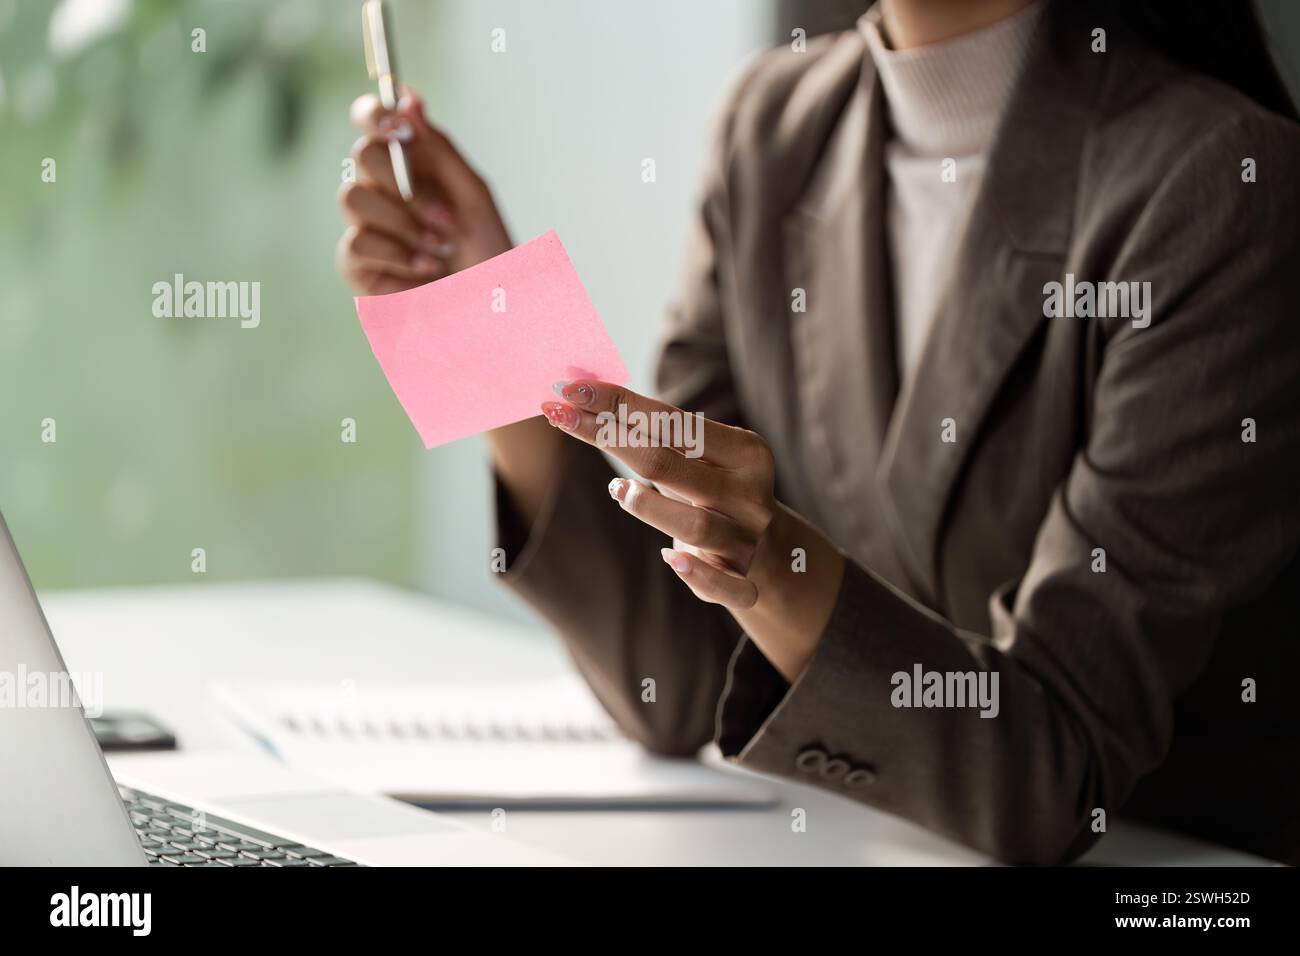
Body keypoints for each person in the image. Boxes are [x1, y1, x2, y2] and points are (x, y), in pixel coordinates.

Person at [336, 0, 1300, 864]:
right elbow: (673, 678)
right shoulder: (775, 126)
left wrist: (779, 565)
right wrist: (485, 327)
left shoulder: (1219, 185)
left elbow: (1052, 779)